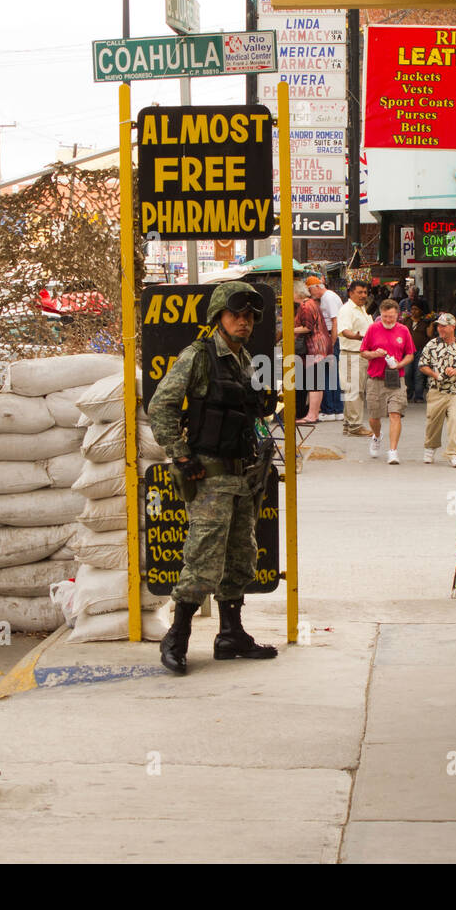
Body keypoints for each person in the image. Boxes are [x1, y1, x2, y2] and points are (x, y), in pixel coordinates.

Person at [147, 280, 278, 675]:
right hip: (210, 476)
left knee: (241, 559)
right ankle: (178, 636)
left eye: (250, 316)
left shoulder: (243, 360)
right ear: (219, 316)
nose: (244, 322)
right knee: (203, 560)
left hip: (242, 476)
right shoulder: (199, 356)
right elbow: (161, 406)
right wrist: (180, 453)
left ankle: (230, 634)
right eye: (236, 314)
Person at [360, 299, 415, 465]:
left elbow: (410, 354)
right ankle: (376, 436)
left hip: (396, 379)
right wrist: (374, 354)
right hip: (375, 378)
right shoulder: (372, 329)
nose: (388, 320)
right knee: (374, 417)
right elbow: (363, 352)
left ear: (397, 315)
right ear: (380, 315)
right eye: (385, 317)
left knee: (395, 413)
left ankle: (393, 450)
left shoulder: (403, 330)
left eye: (391, 317)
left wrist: (400, 364)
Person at [419, 313, 456, 467]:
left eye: (443, 326)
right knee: (433, 422)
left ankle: (454, 453)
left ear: (452, 327)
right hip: (436, 390)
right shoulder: (432, 344)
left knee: (455, 420)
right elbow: (423, 365)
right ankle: (430, 447)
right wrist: (434, 374)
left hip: (455, 391)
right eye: (439, 326)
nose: (440, 329)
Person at [336, 280, 373, 437]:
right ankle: (355, 426)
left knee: (354, 391)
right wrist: (359, 337)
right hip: (352, 354)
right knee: (353, 392)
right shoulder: (347, 310)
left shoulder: (362, 309)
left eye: (365, 292)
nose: (363, 295)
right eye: (360, 292)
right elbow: (345, 331)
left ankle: (349, 424)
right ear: (351, 293)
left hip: (361, 355)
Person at [307, 275, 344, 420]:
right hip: (330, 337)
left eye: (311, 290)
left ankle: (331, 409)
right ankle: (336, 409)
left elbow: (335, 321)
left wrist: (332, 342)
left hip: (330, 337)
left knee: (328, 374)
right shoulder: (328, 297)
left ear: (317, 287)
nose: (311, 294)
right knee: (331, 374)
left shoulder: (328, 298)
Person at [292, 283, 328, 423]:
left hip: (313, 347)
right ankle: (314, 413)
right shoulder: (312, 303)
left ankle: (311, 415)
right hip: (319, 347)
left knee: (313, 383)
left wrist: (290, 329)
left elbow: (308, 327)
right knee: (316, 383)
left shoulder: (305, 305)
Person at [401, 302, 434, 403]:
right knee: (407, 373)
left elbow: (429, 334)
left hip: (421, 350)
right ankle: (408, 393)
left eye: (416, 309)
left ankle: (419, 395)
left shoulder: (425, 322)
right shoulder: (406, 321)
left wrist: (432, 323)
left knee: (419, 373)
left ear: (421, 311)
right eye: (413, 309)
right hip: (408, 351)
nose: (414, 311)